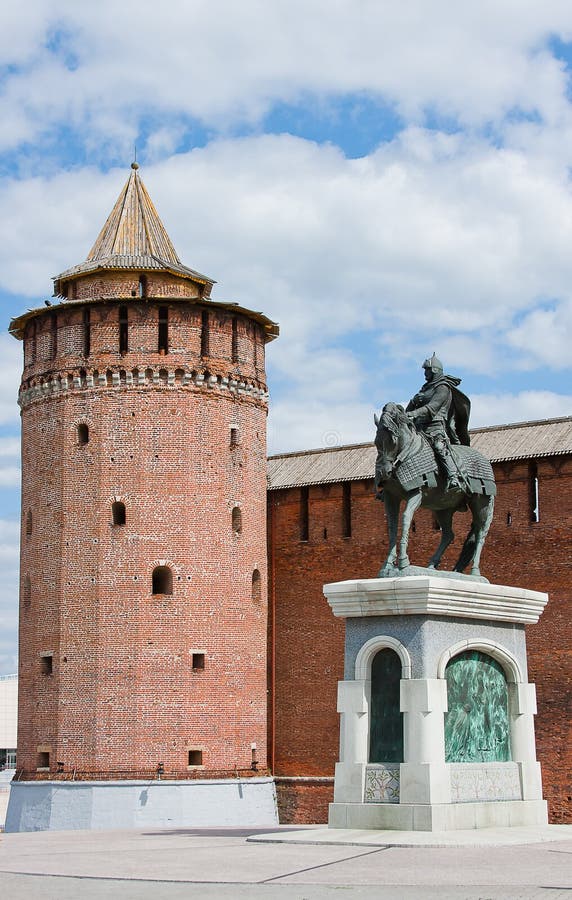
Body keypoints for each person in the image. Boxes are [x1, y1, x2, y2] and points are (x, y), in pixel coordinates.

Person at [405, 354, 471, 492]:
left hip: (435, 428)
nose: (425, 373)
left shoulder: (443, 388)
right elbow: (408, 411)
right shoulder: (425, 388)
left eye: (427, 370)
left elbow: (432, 408)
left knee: (439, 446)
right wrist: (413, 402)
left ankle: (453, 477)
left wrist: (413, 413)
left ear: (434, 370)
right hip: (419, 428)